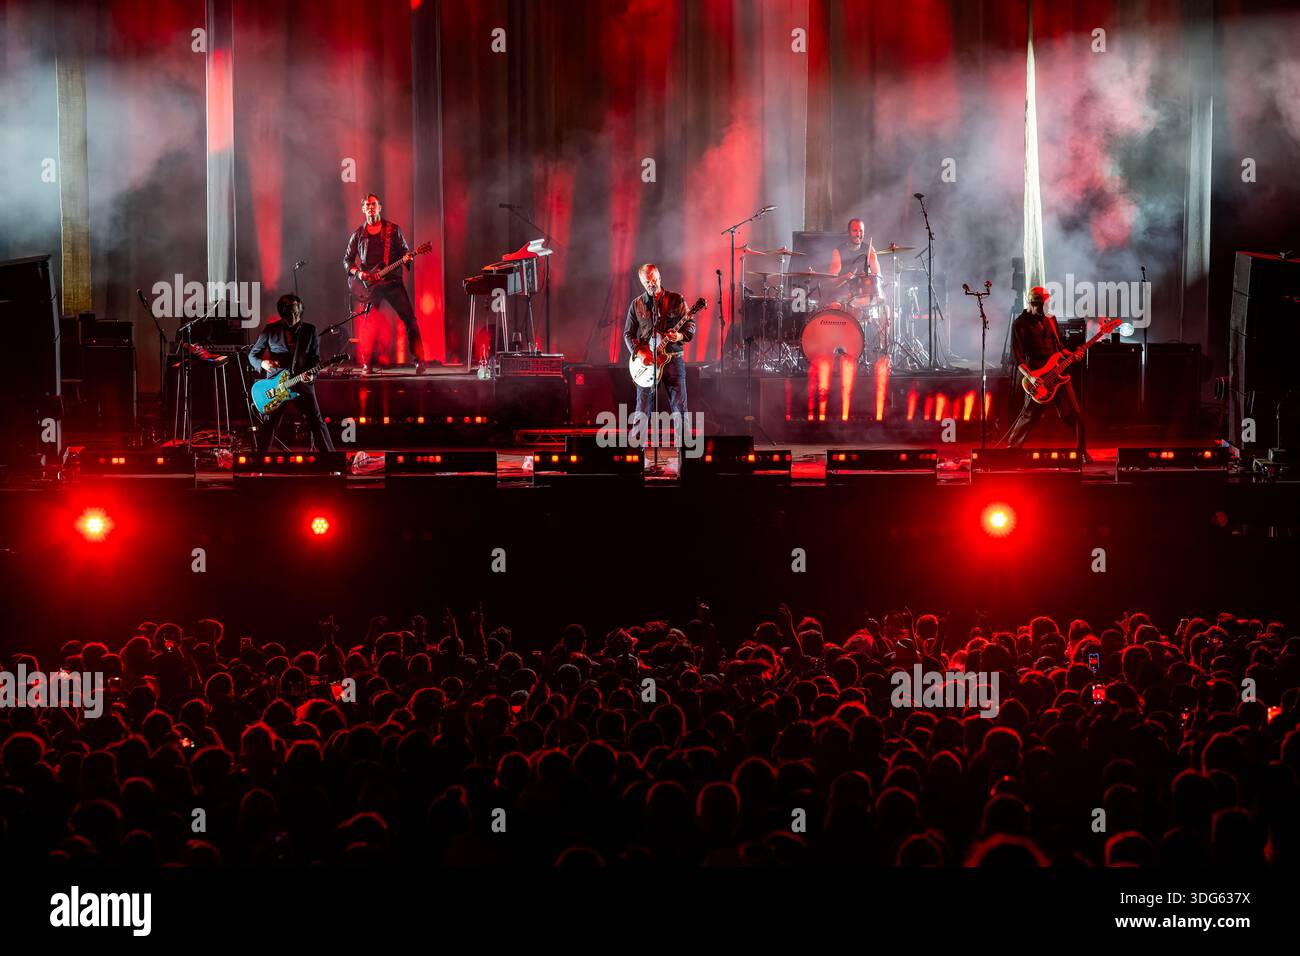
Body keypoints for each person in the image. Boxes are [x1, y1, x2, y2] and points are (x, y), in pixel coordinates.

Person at [343, 193, 426, 374]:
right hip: (371, 287)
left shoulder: (393, 230)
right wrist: (359, 273)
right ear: (363, 209)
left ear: (379, 207)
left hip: (393, 282)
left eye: (374, 204)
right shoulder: (358, 234)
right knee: (369, 324)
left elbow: (405, 251)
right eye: (368, 205)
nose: (371, 207)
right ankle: (368, 363)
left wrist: (406, 258)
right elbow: (347, 261)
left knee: (410, 320)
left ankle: (420, 360)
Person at [1006, 285, 1090, 462]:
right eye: (1041, 306)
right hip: (1038, 377)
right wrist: (1031, 377)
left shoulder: (1050, 320)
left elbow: (1058, 348)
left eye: (1046, 305)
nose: (1045, 310)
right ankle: (1011, 452)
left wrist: (1073, 355)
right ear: (1032, 303)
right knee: (1030, 416)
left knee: (1075, 414)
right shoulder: (1019, 324)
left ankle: (1081, 452)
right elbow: (1018, 358)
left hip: (1059, 374)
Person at [248, 294, 335, 453]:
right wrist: (263, 363)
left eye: (296, 313)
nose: (293, 317)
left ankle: (332, 464)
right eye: (289, 313)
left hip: (301, 383)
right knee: (269, 425)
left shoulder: (310, 330)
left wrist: (312, 374)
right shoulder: (270, 330)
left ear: (300, 311)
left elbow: (315, 358)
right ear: (282, 313)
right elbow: (252, 355)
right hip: (276, 385)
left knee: (316, 422)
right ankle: (258, 465)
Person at [623, 263, 694, 419]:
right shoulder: (637, 304)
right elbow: (628, 334)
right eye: (647, 282)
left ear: (659, 278)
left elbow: (690, 326)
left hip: (673, 360)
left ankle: (682, 444)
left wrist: (679, 336)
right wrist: (640, 354)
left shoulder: (676, 299)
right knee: (641, 410)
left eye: (653, 280)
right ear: (642, 282)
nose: (651, 284)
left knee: (680, 410)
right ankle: (638, 444)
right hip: (647, 363)